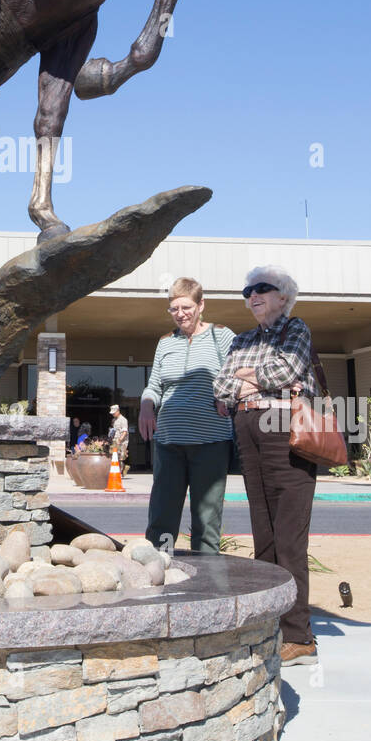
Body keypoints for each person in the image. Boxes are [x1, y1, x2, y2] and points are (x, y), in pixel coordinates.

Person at [213, 265, 321, 665]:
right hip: (247, 429)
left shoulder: (296, 329)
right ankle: (270, 624)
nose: (252, 295)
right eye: (247, 291)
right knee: (265, 533)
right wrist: (248, 380)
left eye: (262, 288)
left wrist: (246, 377)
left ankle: (300, 636)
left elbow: (288, 369)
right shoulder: (240, 339)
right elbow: (220, 386)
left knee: (290, 536)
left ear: (283, 297)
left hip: (284, 427)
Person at [139, 278, 235, 554]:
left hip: (211, 443)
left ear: (201, 305)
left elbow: (238, 374)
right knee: (162, 516)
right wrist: (146, 404)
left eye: (186, 306)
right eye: (174, 308)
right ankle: (160, 564)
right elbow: (155, 384)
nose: (180, 313)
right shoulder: (166, 342)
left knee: (206, 518)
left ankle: (205, 579)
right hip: (168, 443)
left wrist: (224, 394)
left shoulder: (221, 335)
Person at [108, 404, 130, 474]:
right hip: (115, 440)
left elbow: (124, 432)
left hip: (122, 441)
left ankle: (120, 471)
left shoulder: (123, 420)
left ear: (118, 411)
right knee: (114, 456)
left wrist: (120, 440)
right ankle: (122, 469)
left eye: (114, 413)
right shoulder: (114, 420)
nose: (113, 414)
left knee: (120, 457)